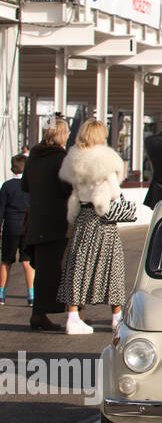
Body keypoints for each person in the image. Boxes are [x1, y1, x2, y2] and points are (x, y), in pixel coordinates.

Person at [56, 120, 127, 334]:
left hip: (82, 217)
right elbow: (114, 192)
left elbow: (74, 190)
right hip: (102, 218)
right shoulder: (106, 158)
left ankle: (73, 316)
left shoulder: (74, 158)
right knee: (111, 267)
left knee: (77, 267)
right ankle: (116, 316)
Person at [22, 120, 71, 331]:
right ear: (62, 134)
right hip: (57, 221)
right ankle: (72, 313)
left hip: (36, 221)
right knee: (63, 269)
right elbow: (67, 189)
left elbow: (25, 185)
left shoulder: (34, 155)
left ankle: (39, 314)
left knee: (43, 270)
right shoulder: (61, 158)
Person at [0, 155, 35, 306]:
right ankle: (31, 295)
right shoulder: (31, 186)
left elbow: (0, 209)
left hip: (11, 227)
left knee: (6, 261)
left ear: (12, 168)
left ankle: (1, 294)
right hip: (26, 228)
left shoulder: (7, 186)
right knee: (27, 262)